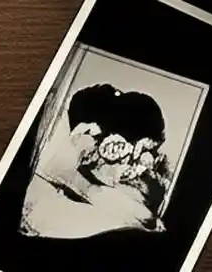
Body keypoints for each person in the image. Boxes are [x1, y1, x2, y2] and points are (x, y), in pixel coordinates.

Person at [20, 84, 173, 239]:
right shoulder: (55, 136)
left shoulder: (77, 144)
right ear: (91, 131)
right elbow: (59, 173)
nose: (129, 167)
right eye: (129, 154)